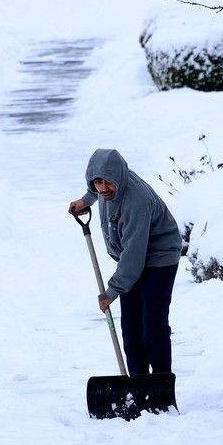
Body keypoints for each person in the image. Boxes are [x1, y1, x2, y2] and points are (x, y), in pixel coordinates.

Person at [68, 149, 182, 376]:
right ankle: (138, 385)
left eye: (107, 183)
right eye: (97, 183)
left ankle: (160, 386)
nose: (103, 189)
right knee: (131, 330)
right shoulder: (106, 188)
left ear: (119, 177)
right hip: (132, 258)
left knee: (153, 327)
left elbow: (133, 255)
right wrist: (86, 200)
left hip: (159, 257)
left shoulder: (136, 199)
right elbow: (96, 190)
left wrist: (112, 291)